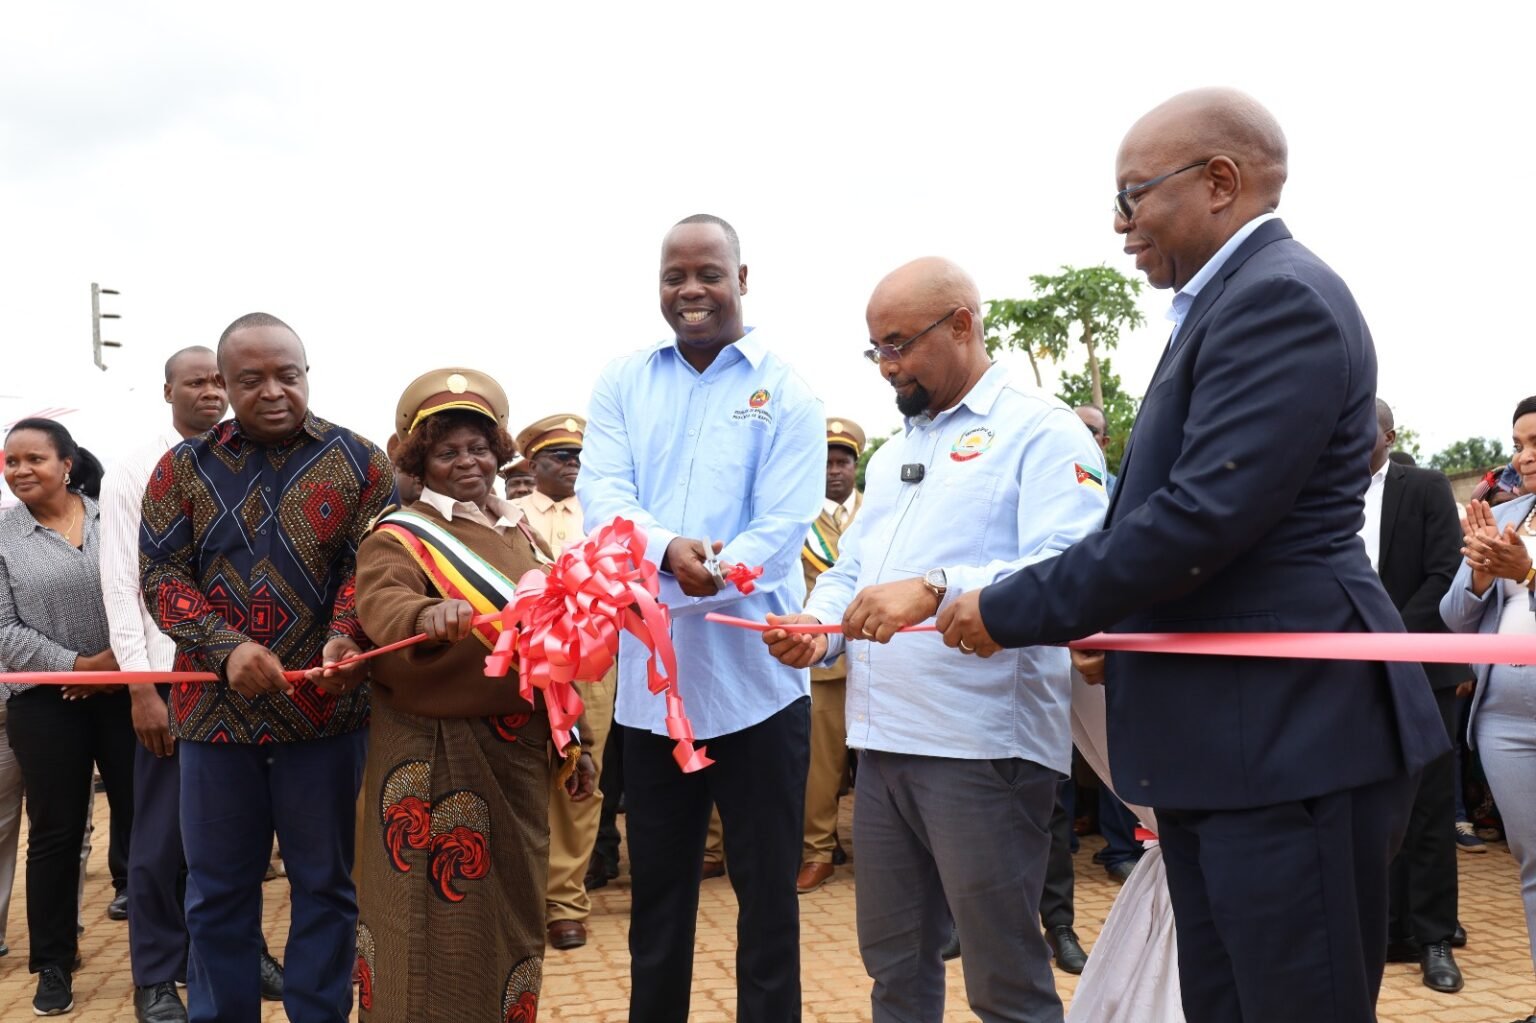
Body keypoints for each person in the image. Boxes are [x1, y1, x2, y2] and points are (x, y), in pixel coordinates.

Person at [937, 88, 1447, 1023]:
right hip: (1236, 738)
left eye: (1134, 195)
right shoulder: (1230, 304)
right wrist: (1122, 626)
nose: (1120, 223)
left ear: (1221, 182)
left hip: (1295, 739)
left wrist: (1013, 607)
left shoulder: (1278, 300)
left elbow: (1200, 520)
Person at [764, 256, 1107, 1022]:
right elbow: (853, 568)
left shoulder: (1041, 431)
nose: (887, 366)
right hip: (883, 744)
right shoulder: (895, 455)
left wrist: (940, 584)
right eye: (876, 349)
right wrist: (815, 633)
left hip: (983, 746)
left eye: (899, 344)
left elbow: (1072, 566)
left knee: (1005, 981)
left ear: (962, 324)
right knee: (894, 968)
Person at [579, 213, 824, 1022]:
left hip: (759, 689)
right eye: (673, 276)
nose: (691, 290)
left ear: (742, 280)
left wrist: (694, 570)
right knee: (659, 905)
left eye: (708, 274)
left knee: (767, 903)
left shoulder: (786, 390)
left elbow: (783, 530)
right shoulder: (622, 381)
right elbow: (603, 503)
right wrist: (665, 545)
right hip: (655, 701)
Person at [140, 313, 392, 1023]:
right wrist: (225, 649)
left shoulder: (363, 463)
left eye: (289, 374)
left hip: (328, 713)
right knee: (218, 888)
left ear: (307, 372)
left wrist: (346, 637)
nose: (274, 390)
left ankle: (318, 1012)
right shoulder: (180, 468)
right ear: (225, 383)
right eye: (251, 379)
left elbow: (370, 569)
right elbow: (161, 577)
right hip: (214, 720)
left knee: (327, 884)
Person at [353, 369, 594, 1022]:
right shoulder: (399, 533)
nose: (469, 461)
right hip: (436, 755)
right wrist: (419, 615)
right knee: (426, 932)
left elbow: (547, 640)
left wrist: (577, 741)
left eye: (480, 446)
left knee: (509, 922)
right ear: (419, 459)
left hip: (516, 755)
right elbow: (381, 597)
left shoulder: (520, 533)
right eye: (448, 450)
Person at [99, 346, 285, 1022]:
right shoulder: (136, 469)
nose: (210, 393)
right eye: (196, 382)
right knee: (159, 838)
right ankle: (155, 972)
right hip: (170, 676)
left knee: (237, 839)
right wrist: (140, 686)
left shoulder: (257, 459)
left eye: (218, 382)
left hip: (250, 677)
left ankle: (241, 951)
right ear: (168, 390)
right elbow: (122, 583)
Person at [0, 418, 134, 1016]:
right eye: (10, 461)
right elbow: (2, 630)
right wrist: (77, 667)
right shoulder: (2, 536)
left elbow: (144, 596)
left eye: (34, 459)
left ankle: (166, 956)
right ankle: (52, 963)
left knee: (146, 818)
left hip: (133, 694)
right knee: (54, 835)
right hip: (44, 704)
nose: (21, 470)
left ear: (67, 464)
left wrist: (114, 666)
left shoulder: (117, 519)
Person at [1364, 400, 1467, 994]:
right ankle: (1387, 930)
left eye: (1363, 430)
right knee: (1370, 810)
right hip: (1344, 679)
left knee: (1427, 810)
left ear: (1389, 435)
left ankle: (1433, 937)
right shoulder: (1321, 491)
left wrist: (1384, 643)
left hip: (1419, 673)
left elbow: (1441, 575)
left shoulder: (1424, 487)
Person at [1440, 394, 1536, 1023]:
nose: (1524, 459)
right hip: (1507, 721)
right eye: (1519, 445)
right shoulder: (1512, 515)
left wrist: (1528, 575)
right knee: (1534, 866)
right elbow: (1453, 618)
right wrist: (1479, 573)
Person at [512, 412, 616, 951]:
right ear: (533, 464)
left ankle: (566, 901)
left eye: (578, 456)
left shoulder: (606, 512)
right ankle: (522, 895)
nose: (573, 465)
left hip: (593, 659)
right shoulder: (508, 515)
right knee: (524, 771)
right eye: (560, 456)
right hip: (527, 661)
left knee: (583, 773)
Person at [795, 417, 865, 895]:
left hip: (885, 653)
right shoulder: (798, 516)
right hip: (828, 660)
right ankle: (817, 849)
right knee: (821, 766)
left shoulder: (880, 509)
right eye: (826, 462)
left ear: (856, 466)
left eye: (843, 461)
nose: (834, 471)